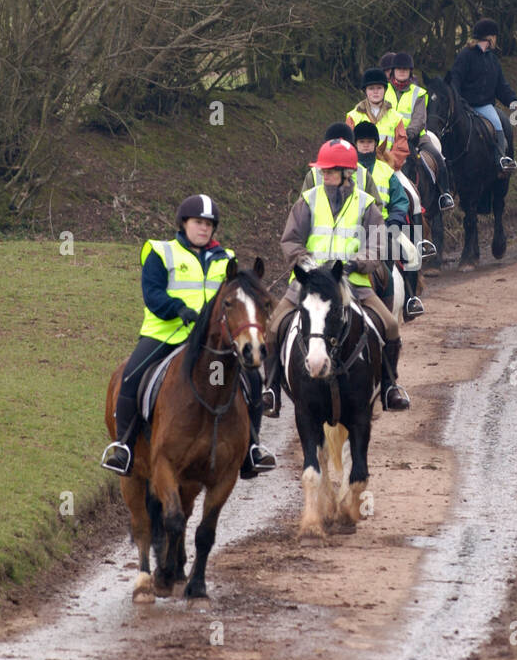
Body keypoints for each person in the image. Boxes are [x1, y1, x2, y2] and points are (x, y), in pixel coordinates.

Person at [101, 195, 276, 478]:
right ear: (184, 224)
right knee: (132, 375)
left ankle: (253, 448)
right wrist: (178, 309)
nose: (204, 229)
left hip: (213, 342)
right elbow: (153, 293)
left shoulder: (226, 259)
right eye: (198, 223)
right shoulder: (161, 252)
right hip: (166, 334)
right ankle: (124, 446)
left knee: (253, 377)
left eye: (209, 224)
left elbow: (235, 297)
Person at [260, 139, 411, 417]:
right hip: (311, 284)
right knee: (273, 327)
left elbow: (377, 244)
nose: (324, 175)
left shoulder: (366, 204)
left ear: (346, 173)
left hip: (352, 283)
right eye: (323, 170)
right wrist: (306, 264)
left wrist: (356, 263)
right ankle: (271, 391)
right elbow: (291, 240)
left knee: (390, 326)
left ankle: (390, 387)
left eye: (329, 170)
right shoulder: (308, 200)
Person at [352, 120, 424, 318]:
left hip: (384, 226)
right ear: (355, 144)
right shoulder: (349, 170)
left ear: (376, 144)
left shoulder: (386, 171)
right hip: (353, 228)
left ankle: (410, 300)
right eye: (361, 142)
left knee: (411, 254)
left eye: (369, 142)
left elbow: (400, 200)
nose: (365, 145)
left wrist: (394, 221)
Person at [384, 52, 454, 211]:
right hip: (387, 137)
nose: (402, 72)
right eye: (398, 69)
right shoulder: (383, 90)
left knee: (437, 157)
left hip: (415, 137)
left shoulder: (419, 93)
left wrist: (406, 134)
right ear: (393, 71)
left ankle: (444, 194)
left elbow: (419, 119)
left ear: (410, 72)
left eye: (405, 69)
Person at [448, 18, 517, 174]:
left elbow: (501, 86)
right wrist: (458, 101)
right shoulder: (465, 55)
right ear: (490, 38)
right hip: (464, 105)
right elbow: (455, 79)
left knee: (497, 123)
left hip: (484, 106)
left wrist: (513, 101)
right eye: (495, 37)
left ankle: (500, 159)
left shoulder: (493, 60)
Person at [346, 68, 409, 169]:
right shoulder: (353, 116)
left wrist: (388, 163)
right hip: (359, 167)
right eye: (371, 88)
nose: (375, 92)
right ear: (365, 91)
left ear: (384, 90)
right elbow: (347, 146)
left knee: (406, 185)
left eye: (379, 88)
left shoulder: (395, 117)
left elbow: (401, 148)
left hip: (389, 167)